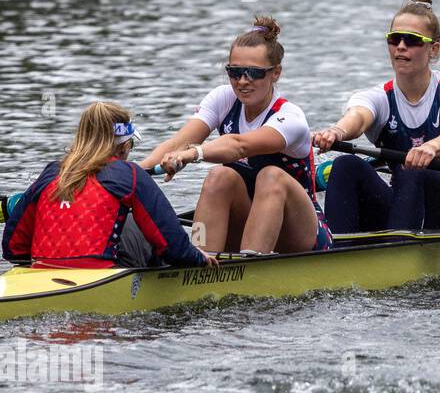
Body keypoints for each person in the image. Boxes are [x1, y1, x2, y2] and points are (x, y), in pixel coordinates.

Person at [141, 16, 333, 254]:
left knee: (270, 175)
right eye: (235, 72)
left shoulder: (290, 117)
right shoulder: (223, 98)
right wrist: (130, 175)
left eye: (254, 73)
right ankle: (198, 259)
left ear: (276, 73)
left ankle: (250, 265)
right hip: (249, 220)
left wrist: (193, 154)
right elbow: (178, 142)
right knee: (219, 176)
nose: (243, 81)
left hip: (302, 233)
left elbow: (239, 145)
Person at [312, 0, 440, 233]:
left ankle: (395, 251)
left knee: (413, 171)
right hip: (405, 206)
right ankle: (337, 251)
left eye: (412, 40)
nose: (401, 46)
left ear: (433, 49)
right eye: (394, 39)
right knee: (346, 165)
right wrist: (337, 131)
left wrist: (432, 148)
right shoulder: (377, 97)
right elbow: (357, 117)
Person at [3, 102, 211, 269]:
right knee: (138, 224)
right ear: (123, 146)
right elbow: (173, 247)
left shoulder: (50, 174)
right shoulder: (130, 174)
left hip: (41, 273)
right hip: (101, 278)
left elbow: (13, 249)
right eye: (131, 144)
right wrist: (197, 258)